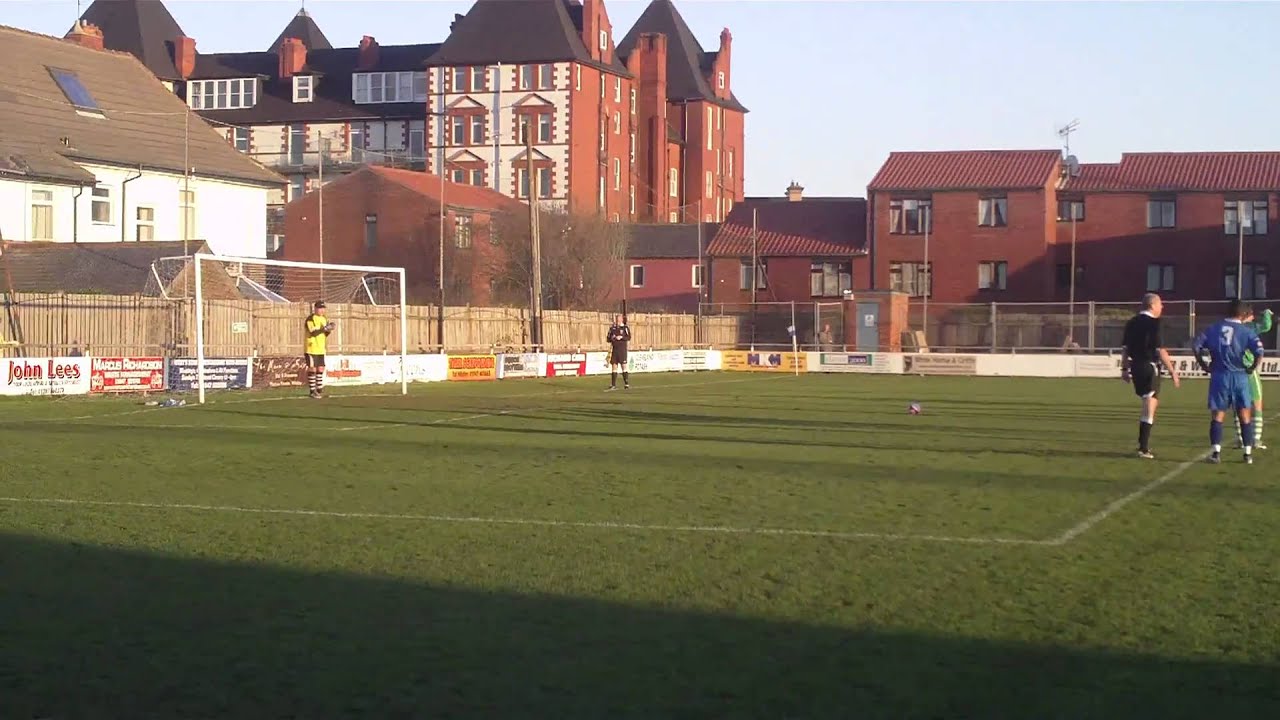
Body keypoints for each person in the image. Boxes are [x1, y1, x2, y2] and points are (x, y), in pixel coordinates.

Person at [1194, 299, 1265, 464]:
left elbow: (1196, 345)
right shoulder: (1246, 331)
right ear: (1243, 314)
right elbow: (1259, 351)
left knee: (1218, 415)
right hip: (1240, 376)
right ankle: (1247, 454)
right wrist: (1252, 367)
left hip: (1220, 375)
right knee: (1245, 415)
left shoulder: (1214, 328)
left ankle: (1216, 453)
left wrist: (1204, 364)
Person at [1121, 293, 1181, 459]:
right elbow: (1160, 350)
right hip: (1149, 366)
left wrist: (1124, 369)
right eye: (1160, 304)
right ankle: (1143, 447)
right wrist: (1173, 371)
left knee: (1149, 402)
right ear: (1153, 305)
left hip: (1136, 366)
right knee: (1150, 405)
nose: (1162, 307)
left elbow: (1125, 349)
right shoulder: (1155, 323)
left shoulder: (1131, 322)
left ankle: (1142, 445)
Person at [1234, 307, 1272, 450]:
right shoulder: (1249, 328)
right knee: (1257, 403)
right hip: (1249, 369)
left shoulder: (1230, 328)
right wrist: (1267, 313)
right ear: (1247, 316)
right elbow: (1266, 326)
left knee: (1238, 405)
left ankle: (1240, 439)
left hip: (1233, 370)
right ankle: (1255, 439)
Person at [304, 300, 334, 399]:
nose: (321, 310)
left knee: (321, 368)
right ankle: (312, 391)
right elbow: (312, 332)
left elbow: (325, 333)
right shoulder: (311, 318)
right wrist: (324, 329)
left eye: (323, 308)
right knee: (312, 368)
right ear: (315, 309)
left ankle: (319, 390)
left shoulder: (324, 318)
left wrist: (329, 329)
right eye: (319, 308)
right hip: (311, 347)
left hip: (321, 348)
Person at [605, 315, 631, 391]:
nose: (617, 321)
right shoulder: (612, 328)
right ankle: (613, 384)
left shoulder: (625, 328)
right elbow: (608, 339)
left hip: (622, 350)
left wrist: (621, 337)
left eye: (619, 320)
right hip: (614, 350)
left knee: (623, 366)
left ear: (622, 320)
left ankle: (626, 383)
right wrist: (613, 337)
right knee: (614, 366)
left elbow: (629, 337)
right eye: (616, 320)